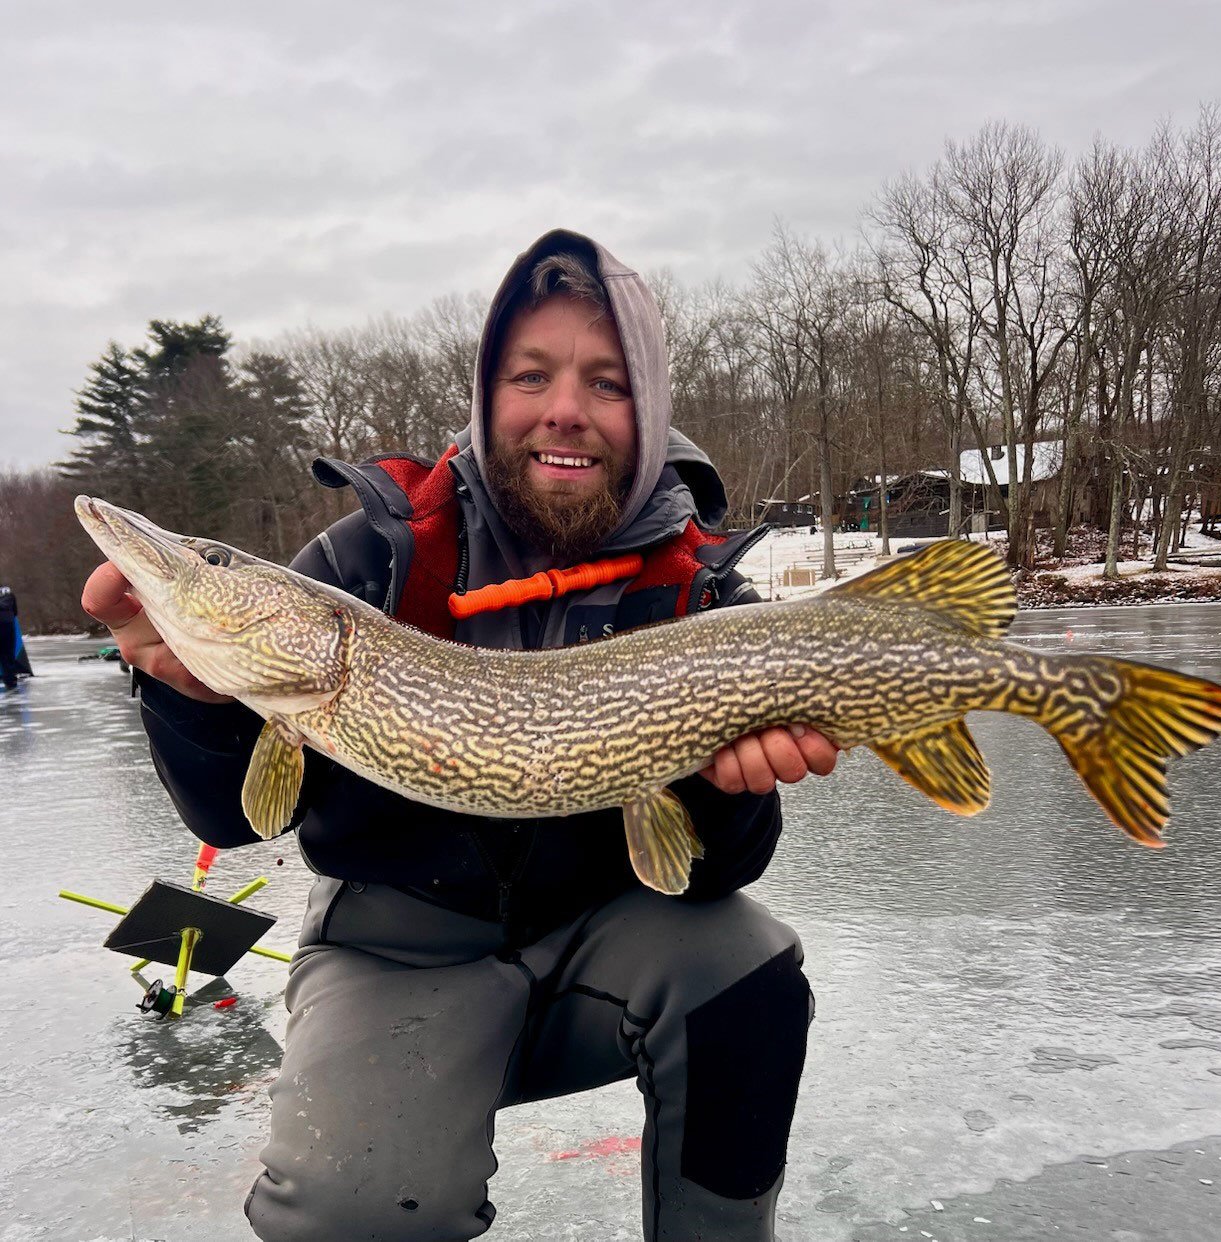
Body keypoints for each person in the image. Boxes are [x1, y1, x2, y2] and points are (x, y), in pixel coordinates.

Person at [82, 230, 839, 1241]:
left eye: (604, 382)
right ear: (489, 398)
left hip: (609, 942)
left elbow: (707, 876)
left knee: (749, 977)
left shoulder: (701, 597)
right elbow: (233, 813)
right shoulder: (360, 564)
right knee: (348, 1210)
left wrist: (719, 785)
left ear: (645, 412)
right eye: (531, 375)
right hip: (395, 954)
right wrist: (193, 694)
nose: (563, 406)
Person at [0, 584, 19, 690]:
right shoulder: (7, 591)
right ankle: (11, 680)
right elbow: (15, 611)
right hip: (7, 623)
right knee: (8, 654)